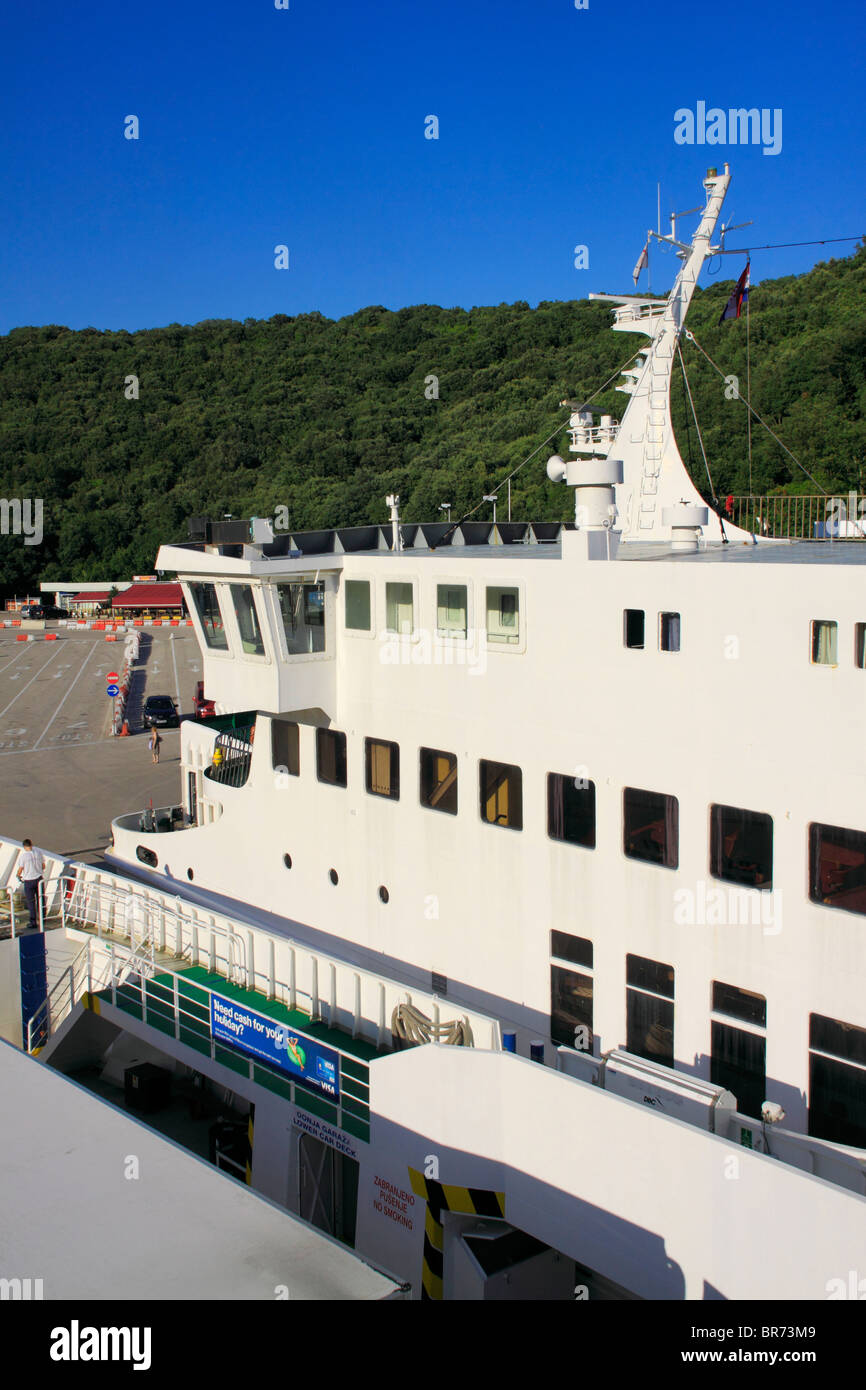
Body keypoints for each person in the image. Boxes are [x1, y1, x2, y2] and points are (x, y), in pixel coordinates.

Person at [16, 838, 45, 931]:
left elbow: (21, 869)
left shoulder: (24, 857)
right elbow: (43, 866)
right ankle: (43, 918)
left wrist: (18, 875)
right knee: (41, 899)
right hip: (39, 879)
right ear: (31, 844)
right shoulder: (38, 853)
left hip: (29, 881)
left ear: (24, 846)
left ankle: (33, 922)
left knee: (31, 902)